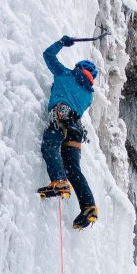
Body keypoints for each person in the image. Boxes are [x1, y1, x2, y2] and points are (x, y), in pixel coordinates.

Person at [38, 35, 100, 229]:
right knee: (73, 168)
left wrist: (62, 43)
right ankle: (88, 206)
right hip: (75, 129)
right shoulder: (89, 95)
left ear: (78, 67)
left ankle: (58, 181)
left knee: (50, 145)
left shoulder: (66, 74)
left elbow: (48, 55)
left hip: (61, 116)